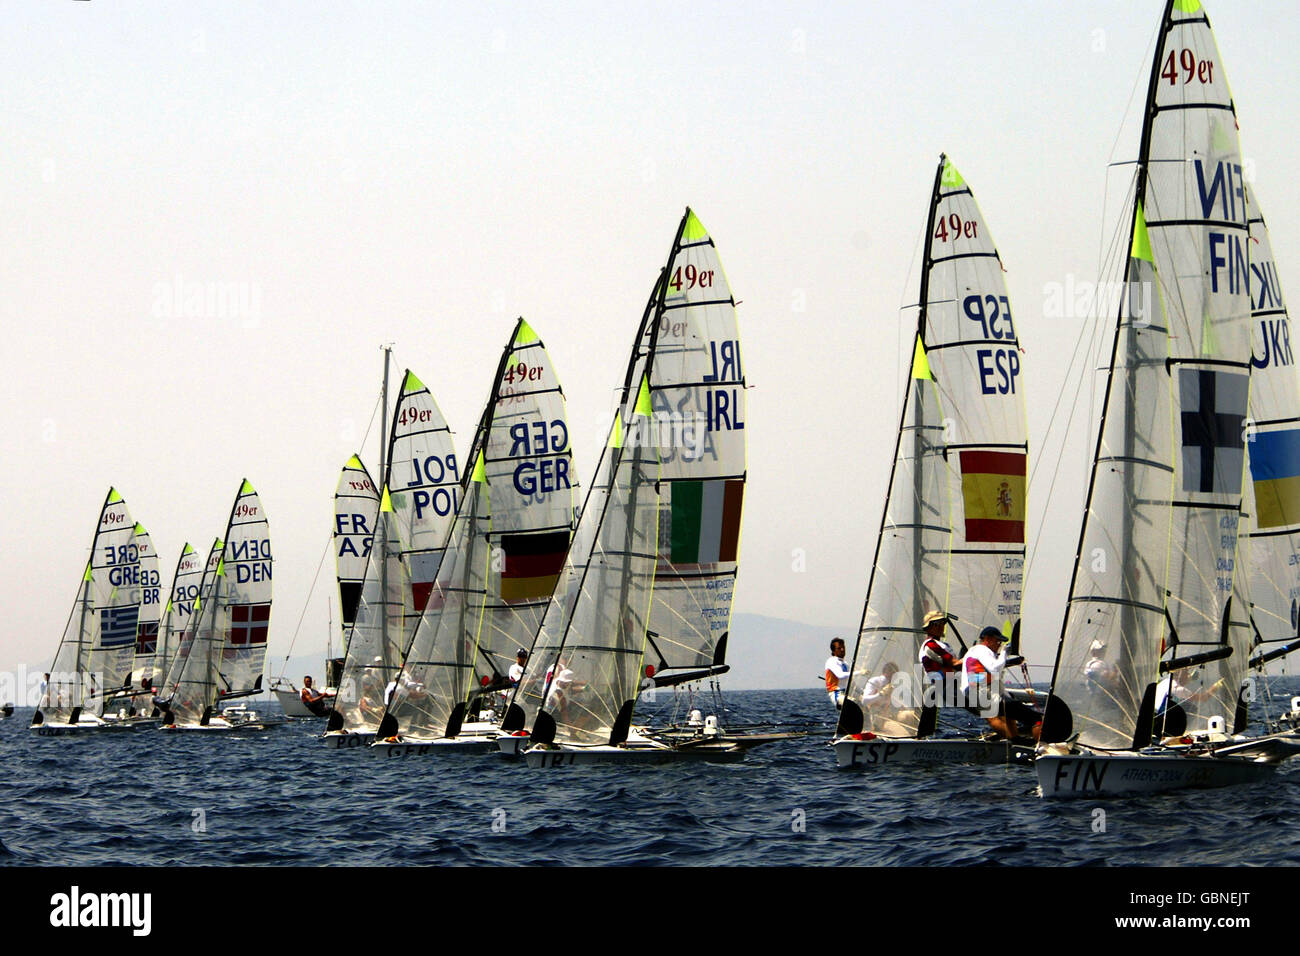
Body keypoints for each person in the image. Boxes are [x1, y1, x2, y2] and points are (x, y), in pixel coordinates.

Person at [961, 626, 1040, 741]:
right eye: (997, 641)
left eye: (1001, 642)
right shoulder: (982, 649)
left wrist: (1010, 660)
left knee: (1009, 711)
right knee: (1036, 719)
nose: (999, 644)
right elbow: (994, 668)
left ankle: (1015, 740)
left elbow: (989, 668)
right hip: (982, 692)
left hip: (973, 693)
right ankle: (1041, 749)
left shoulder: (973, 651)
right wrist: (1004, 652)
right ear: (987, 639)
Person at [917, 611, 959, 706]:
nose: (941, 626)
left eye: (942, 623)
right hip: (944, 693)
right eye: (936, 624)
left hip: (951, 689)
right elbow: (955, 664)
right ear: (929, 627)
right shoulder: (931, 645)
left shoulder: (943, 644)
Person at [825, 638, 851, 709]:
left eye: (843, 647)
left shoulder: (845, 664)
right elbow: (840, 675)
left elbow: (852, 682)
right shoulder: (831, 661)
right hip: (837, 693)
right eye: (839, 648)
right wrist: (856, 673)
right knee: (847, 702)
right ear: (834, 650)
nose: (842, 650)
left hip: (847, 692)